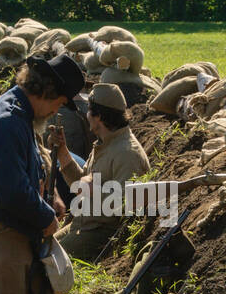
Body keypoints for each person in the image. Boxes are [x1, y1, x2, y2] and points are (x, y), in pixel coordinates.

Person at [0, 54, 80, 294]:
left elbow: (25, 170)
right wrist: (46, 217)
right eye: (59, 103)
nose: (56, 111)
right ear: (46, 91)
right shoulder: (8, 121)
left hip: (18, 224)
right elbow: (11, 191)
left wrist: (49, 200)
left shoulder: (20, 115)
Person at [52, 82, 152, 261]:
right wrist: (62, 151)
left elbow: (124, 206)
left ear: (98, 117)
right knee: (42, 248)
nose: (86, 115)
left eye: (89, 110)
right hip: (84, 225)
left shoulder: (127, 154)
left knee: (50, 261)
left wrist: (92, 193)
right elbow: (82, 182)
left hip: (101, 236)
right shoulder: (105, 143)